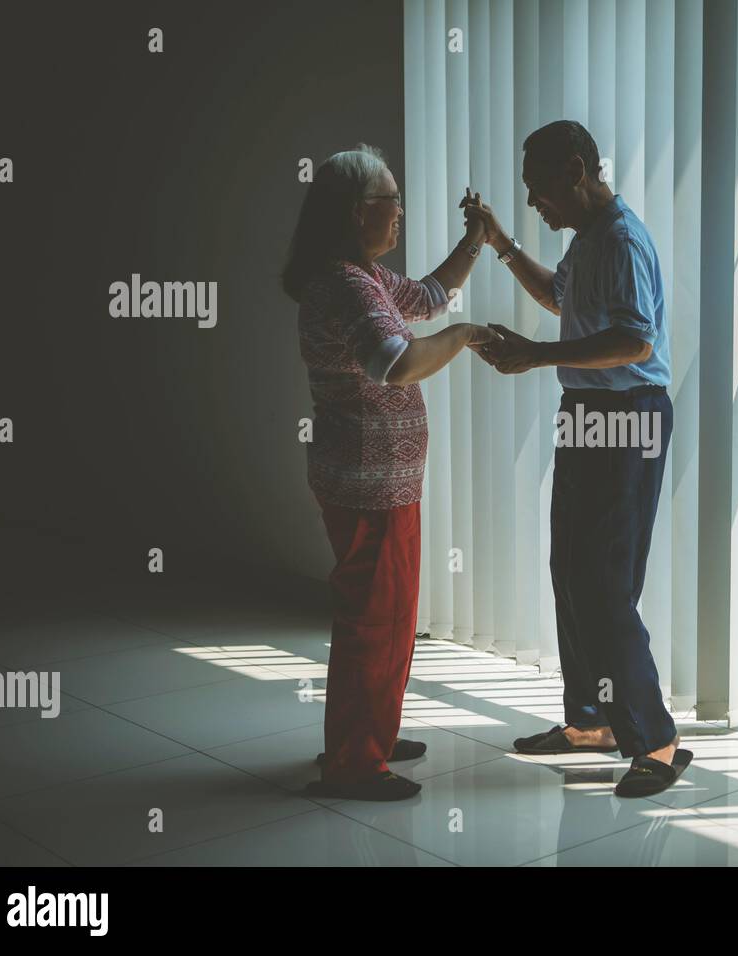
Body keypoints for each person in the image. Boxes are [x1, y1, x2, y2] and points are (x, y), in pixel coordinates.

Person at [465, 120, 692, 798]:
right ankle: (590, 719)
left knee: (603, 584)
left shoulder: (620, 242)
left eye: (540, 192)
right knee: (572, 570)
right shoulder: (589, 239)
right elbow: (559, 297)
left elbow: (632, 344)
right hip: (590, 416)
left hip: (627, 419)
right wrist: (500, 242)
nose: (537, 204)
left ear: (575, 170)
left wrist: (535, 355)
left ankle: (655, 738)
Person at [282, 143, 495, 801]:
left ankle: (371, 731)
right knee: (375, 620)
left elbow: (427, 296)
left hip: (382, 480)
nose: (399, 213)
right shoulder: (346, 284)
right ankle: (352, 762)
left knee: (391, 616)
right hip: (369, 482)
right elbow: (395, 362)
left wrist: (476, 240)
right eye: (390, 202)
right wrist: (464, 337)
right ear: (354, 211)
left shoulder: (361, 274)